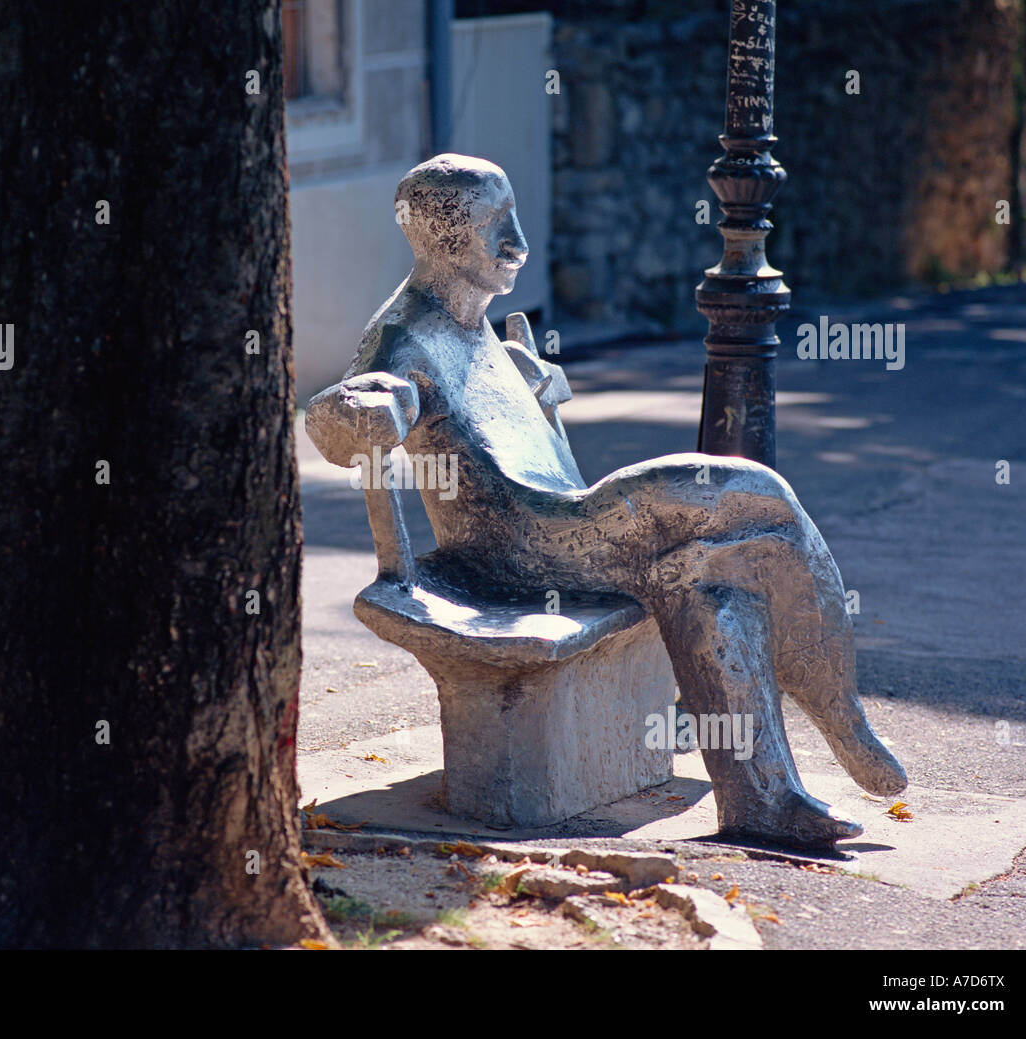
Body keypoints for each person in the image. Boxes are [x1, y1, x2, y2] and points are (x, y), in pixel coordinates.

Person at [339, 154, 906, 847]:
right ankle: (844, 723)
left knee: (708, 572)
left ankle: (765, 797)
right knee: (755, 493)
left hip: (562, 525)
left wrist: (537, 393)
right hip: (530, 547)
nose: (519, 242)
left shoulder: (478, 324)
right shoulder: (402, 335)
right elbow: (352, 410)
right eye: (497, 225)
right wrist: (360, 409)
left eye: (515, 219)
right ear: (443, 237)